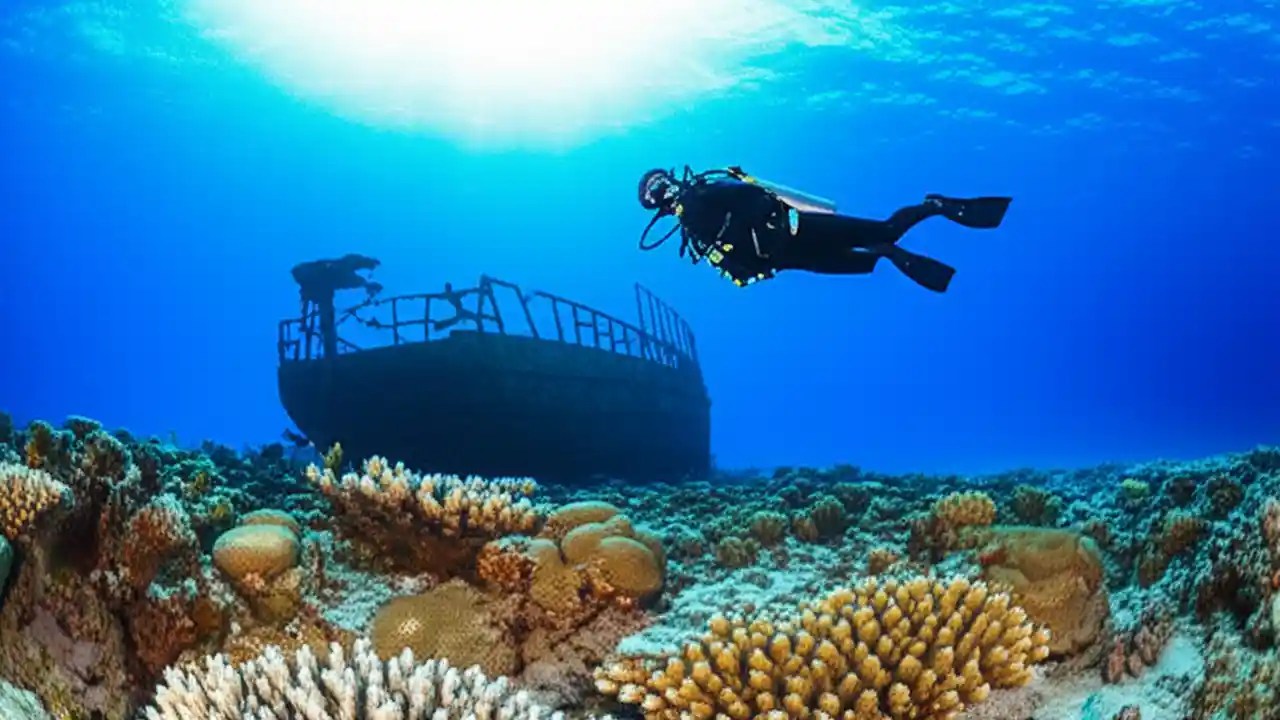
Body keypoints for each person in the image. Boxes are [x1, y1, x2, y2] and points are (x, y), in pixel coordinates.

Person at [636, 166, 1012, 293]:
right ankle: (891, 250)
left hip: (800, 231)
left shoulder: (704, 190)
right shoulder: (693, 234)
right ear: (659, 209)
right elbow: (739, 272)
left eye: (659, 184)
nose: (663, 193)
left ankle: (935, 206)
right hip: (794, 256)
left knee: (886, 231)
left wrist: (769, 222)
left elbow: (751, 195)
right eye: (655, 194)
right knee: (871, 257)